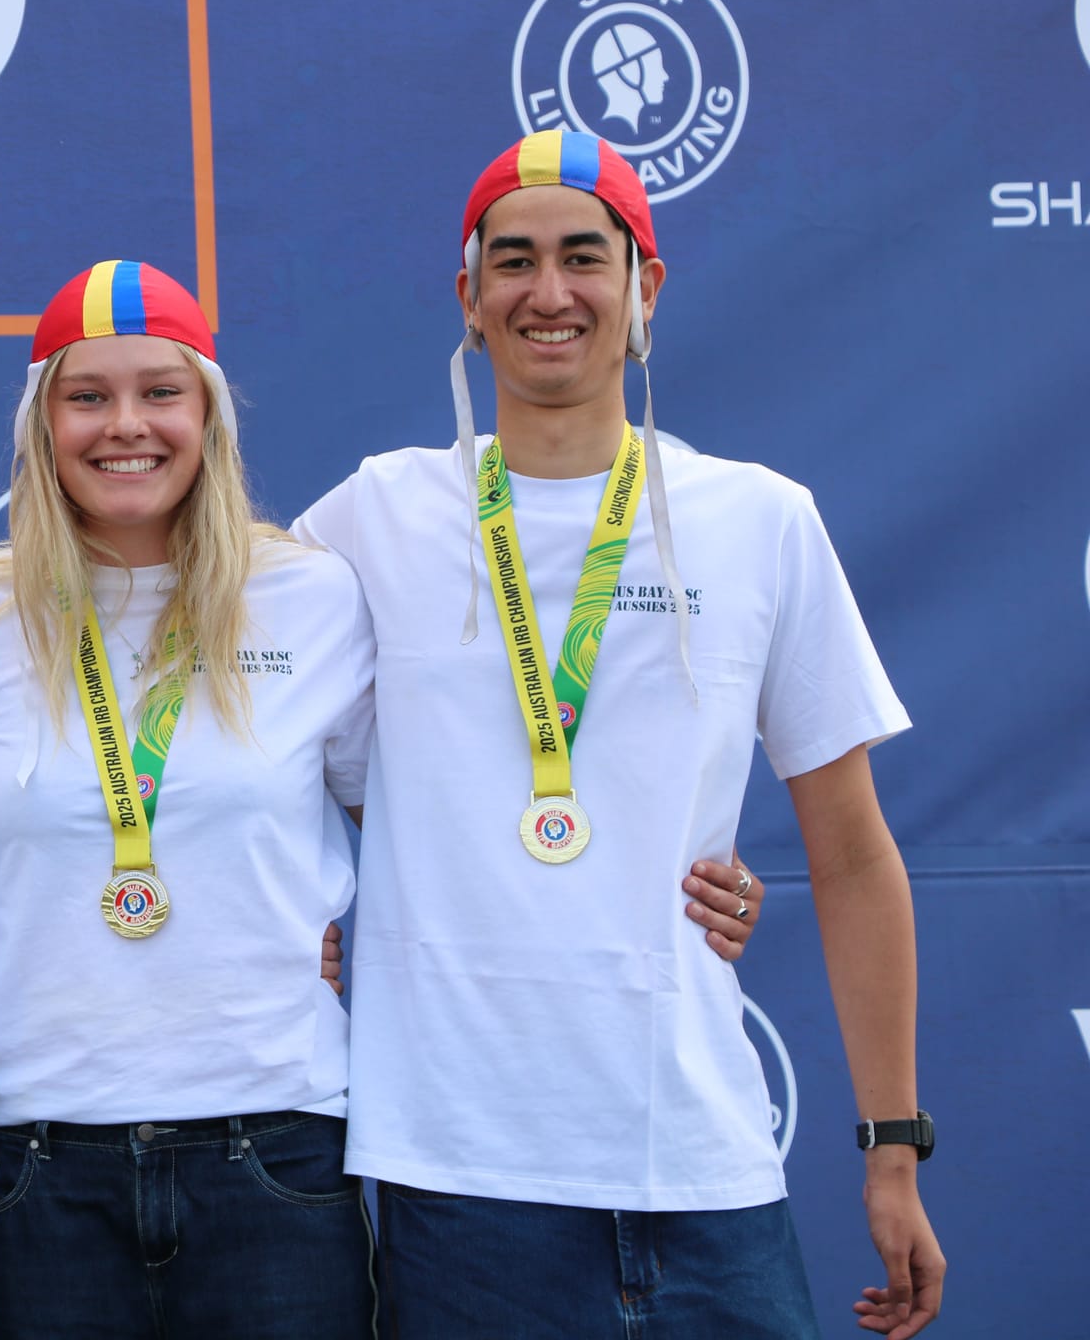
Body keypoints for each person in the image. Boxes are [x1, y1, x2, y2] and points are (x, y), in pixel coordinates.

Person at [294, 129, 945, 1338]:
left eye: (585, 258)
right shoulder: (371, 517)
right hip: (458, 1180)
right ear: (469, 300)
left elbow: (854, 854)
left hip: (700, 1165)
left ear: (647, 287)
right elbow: (238, 764)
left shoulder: (759, 520)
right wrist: (315, 922)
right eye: (516, 261)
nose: (551, 293)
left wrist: (892, 1145)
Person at [0, 261, 379, 1338]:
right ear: (43, 424)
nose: (127, 425)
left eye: (161, 391)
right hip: (38, 1155)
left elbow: (416, 811)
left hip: (276, 1141)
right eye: (90, 396)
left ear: (207, 412)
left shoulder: (307, 593)